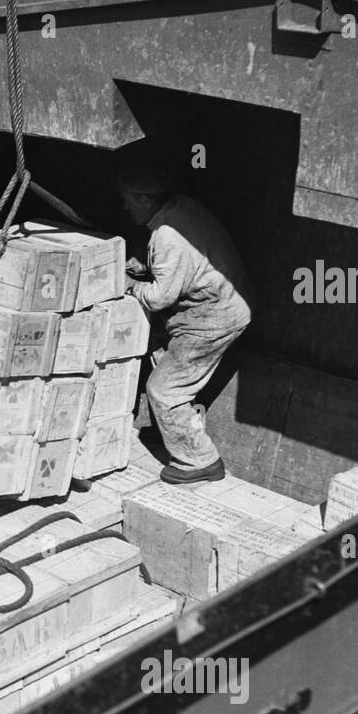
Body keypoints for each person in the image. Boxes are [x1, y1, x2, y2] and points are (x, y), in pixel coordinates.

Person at [117, 169, 254, 484]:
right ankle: (174, 432)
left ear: (144, 198)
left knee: (164, 388)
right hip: (222, 301)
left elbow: (158, 298)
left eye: (128, 201)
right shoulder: (181, 208)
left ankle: (199, 461)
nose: (126, 208)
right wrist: (145, 265)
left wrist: (128, 284)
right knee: (158, 349)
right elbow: (191, 259)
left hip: (215, 317)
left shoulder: (167, 234)